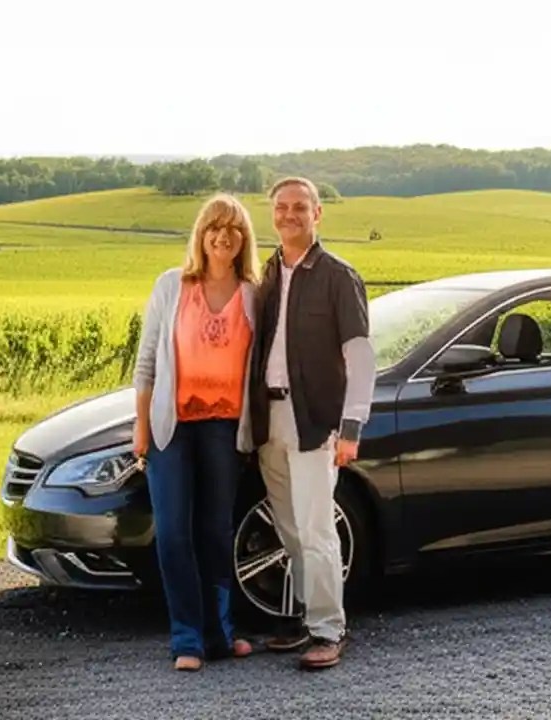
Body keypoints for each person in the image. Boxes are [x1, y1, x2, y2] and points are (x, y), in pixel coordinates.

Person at [132, 192, 262, 672]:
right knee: (172, 533)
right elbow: (146, 363)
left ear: (243, 239)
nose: (222, 235)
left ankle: (220, 635)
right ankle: (187, 639)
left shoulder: (253, 293)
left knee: (215, 531)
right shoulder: (171, 286)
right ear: (201, 235)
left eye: (233, 228)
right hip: (173, 427)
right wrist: (140, 427)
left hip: (225, 429)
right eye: (214, 226)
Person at [249, 176, 375, 670]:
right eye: (281, 207)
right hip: (269, 418)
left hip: (314, 421)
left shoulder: (339, 276)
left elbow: (360, 357)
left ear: (317, 214)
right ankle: (304, 618)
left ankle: (328, 629)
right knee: (289, 526)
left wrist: (351, 428)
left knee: (317, 528)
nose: (289, 215)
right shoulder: (267, 273)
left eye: (300, 207)